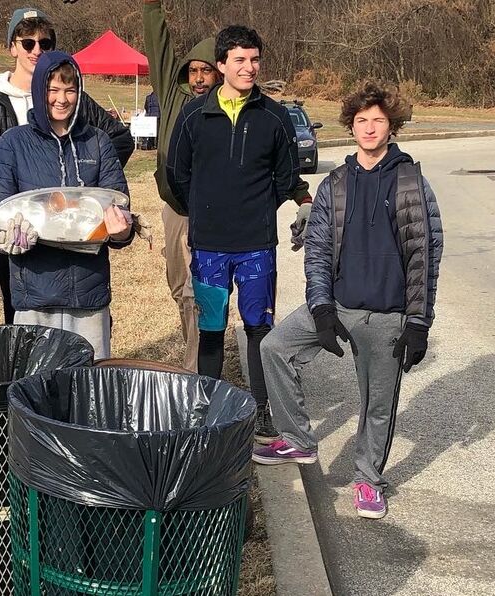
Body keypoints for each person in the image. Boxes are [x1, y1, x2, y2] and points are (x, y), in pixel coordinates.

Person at [252, 81, 444, 521]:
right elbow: (318, 249)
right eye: (361, 120)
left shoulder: (412, 183)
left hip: (388, 315)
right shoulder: (335, 184)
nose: (369, 128)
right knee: (274, 348)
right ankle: (298, 440)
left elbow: (425, 255)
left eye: (378, 120)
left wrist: (419, 323)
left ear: (392, 126)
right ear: (351, 126)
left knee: (377, 403)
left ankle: (368, 480)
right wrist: (321, 308)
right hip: (339, 304)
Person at [0, 7, 134, 325]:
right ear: (13, 47)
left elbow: (118, 139)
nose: (37, 50)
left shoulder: (71, 97)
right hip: (18, 221)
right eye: (28, 43)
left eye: (45, 43)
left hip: (74, 225)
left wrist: (89, 185)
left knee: (85, 305)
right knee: (22, 309)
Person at [166, 25, 313, 443]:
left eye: (255, 59)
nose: (249, 67)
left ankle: (262, 410)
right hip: (209, 246)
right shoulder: (194, 115)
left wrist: (278, 207)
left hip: (256, 247)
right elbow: (177, 174)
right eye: (240, 60)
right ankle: (208, 412)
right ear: (221, 64)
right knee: (211, 330)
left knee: (259, 331)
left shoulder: (275, 117)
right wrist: (205, 210)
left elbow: (287, 177)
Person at [0, 52, 133, 358]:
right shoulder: (14, 142)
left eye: (70, 90)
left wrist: (121, 231)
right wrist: (5, 237)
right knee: (36, 381)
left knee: (89, 380)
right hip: (34, 297)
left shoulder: (98, 142)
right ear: (39, 90)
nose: (62, 99)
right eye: (53, 90)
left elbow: (121, 210)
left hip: (89, 296)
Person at [142, 0, 223, 371]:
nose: (199, 78)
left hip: (208, 213)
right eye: (193, 70)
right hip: (175, 208)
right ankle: (199, 353)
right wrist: (151, 7)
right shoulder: (173, 97)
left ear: (218, 74)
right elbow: (158, 46)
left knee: (197, 291)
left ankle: (196, 370)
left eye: (206, 70)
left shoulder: (224, 107)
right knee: (179, 287)